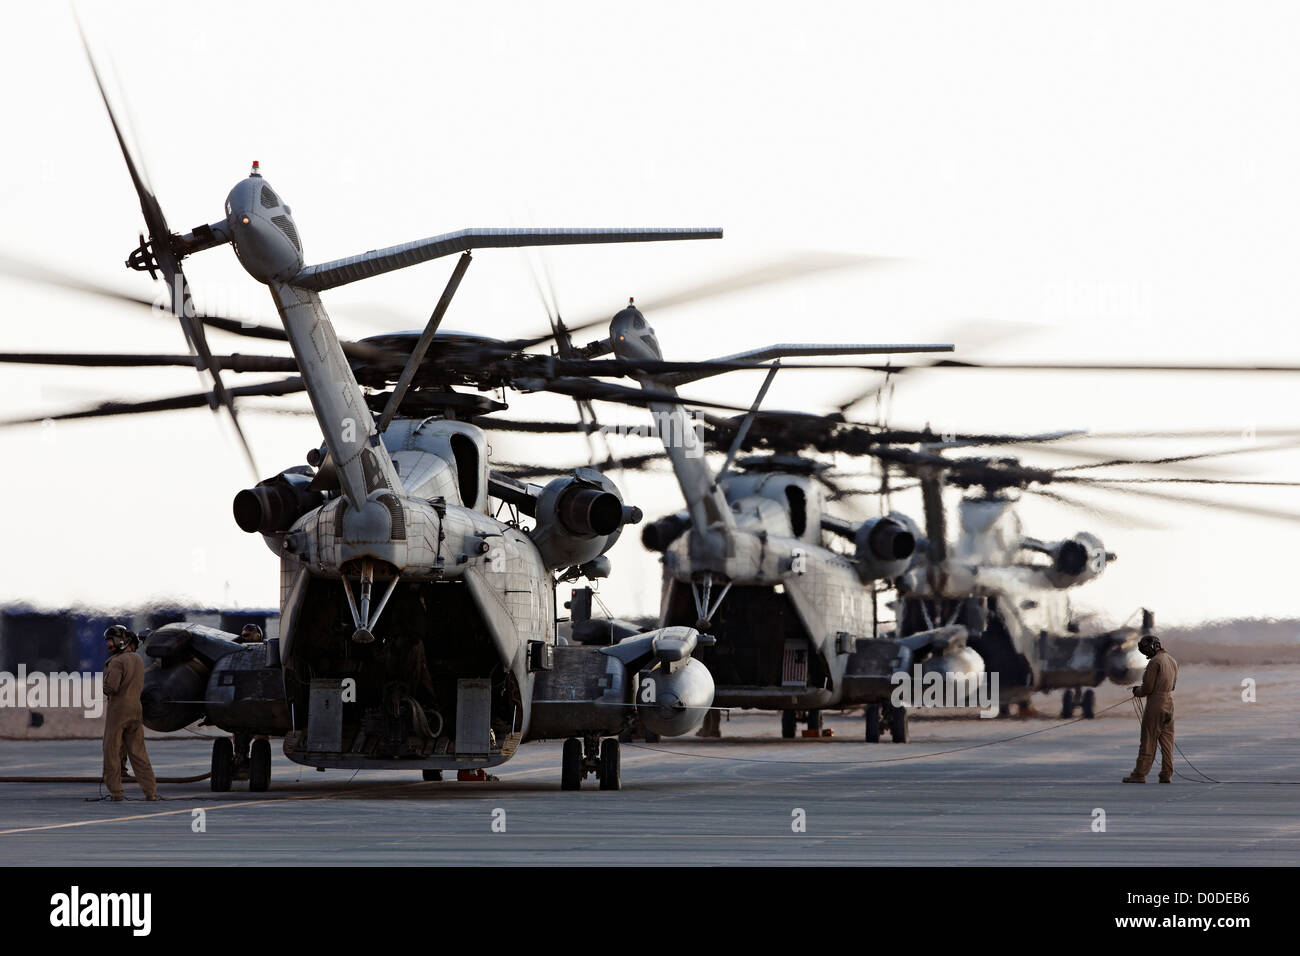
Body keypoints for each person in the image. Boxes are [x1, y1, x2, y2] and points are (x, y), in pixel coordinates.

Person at [101, 625, 159, 801]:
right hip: (136, 710)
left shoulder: (117, 662)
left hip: (119, 710)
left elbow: (111, 687)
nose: (109, 644)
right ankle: (151, 792)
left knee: (111, 750)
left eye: (111, 640)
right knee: (139, 753)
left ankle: (116, 792)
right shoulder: (138, 660)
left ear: (121, 641)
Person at [1123, 634, 1178, 784]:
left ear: (1151, 648)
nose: (1146, 654)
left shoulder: (1155, 662)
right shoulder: (1171, 660)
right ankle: (1166, 774)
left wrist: (1137, 691)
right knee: (1167, 742)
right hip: (1169, 703)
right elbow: (1173, 685)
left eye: (1145, 651)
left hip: (1156, 704)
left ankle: (1139, 775)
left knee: (1148, 740)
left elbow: (1147, 688)